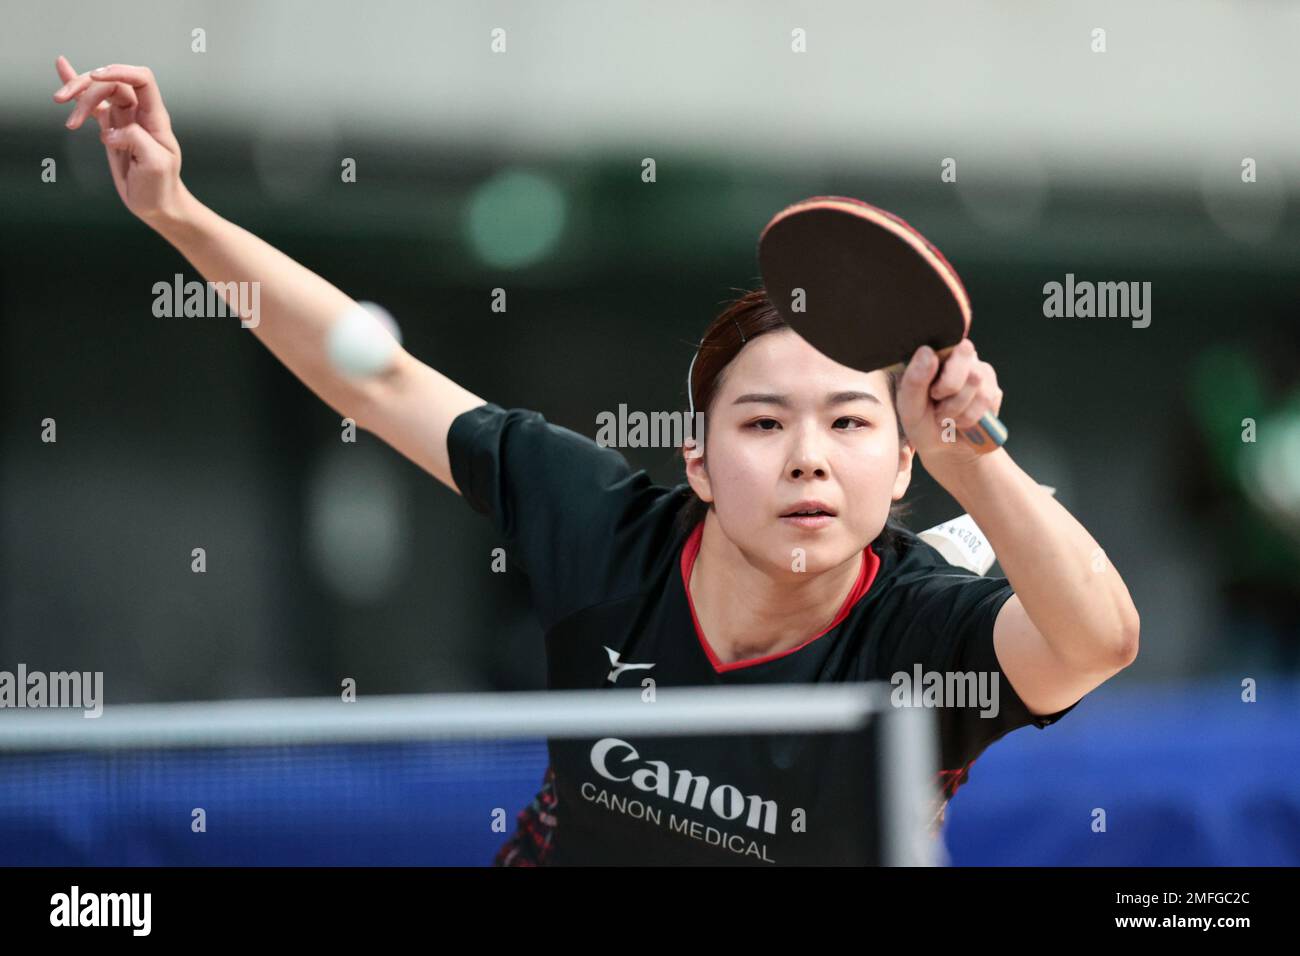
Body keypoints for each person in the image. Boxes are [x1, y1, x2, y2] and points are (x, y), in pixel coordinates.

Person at [53, 57, 1141, 866]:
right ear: (699, 462)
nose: (808, 456)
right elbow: (374, 376)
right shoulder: (601, 525)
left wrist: (975, 463)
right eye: (763, 424)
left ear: (902, 469)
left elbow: (1097, 640)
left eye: (852, 425)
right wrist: (178, 211)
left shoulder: (923, 628)